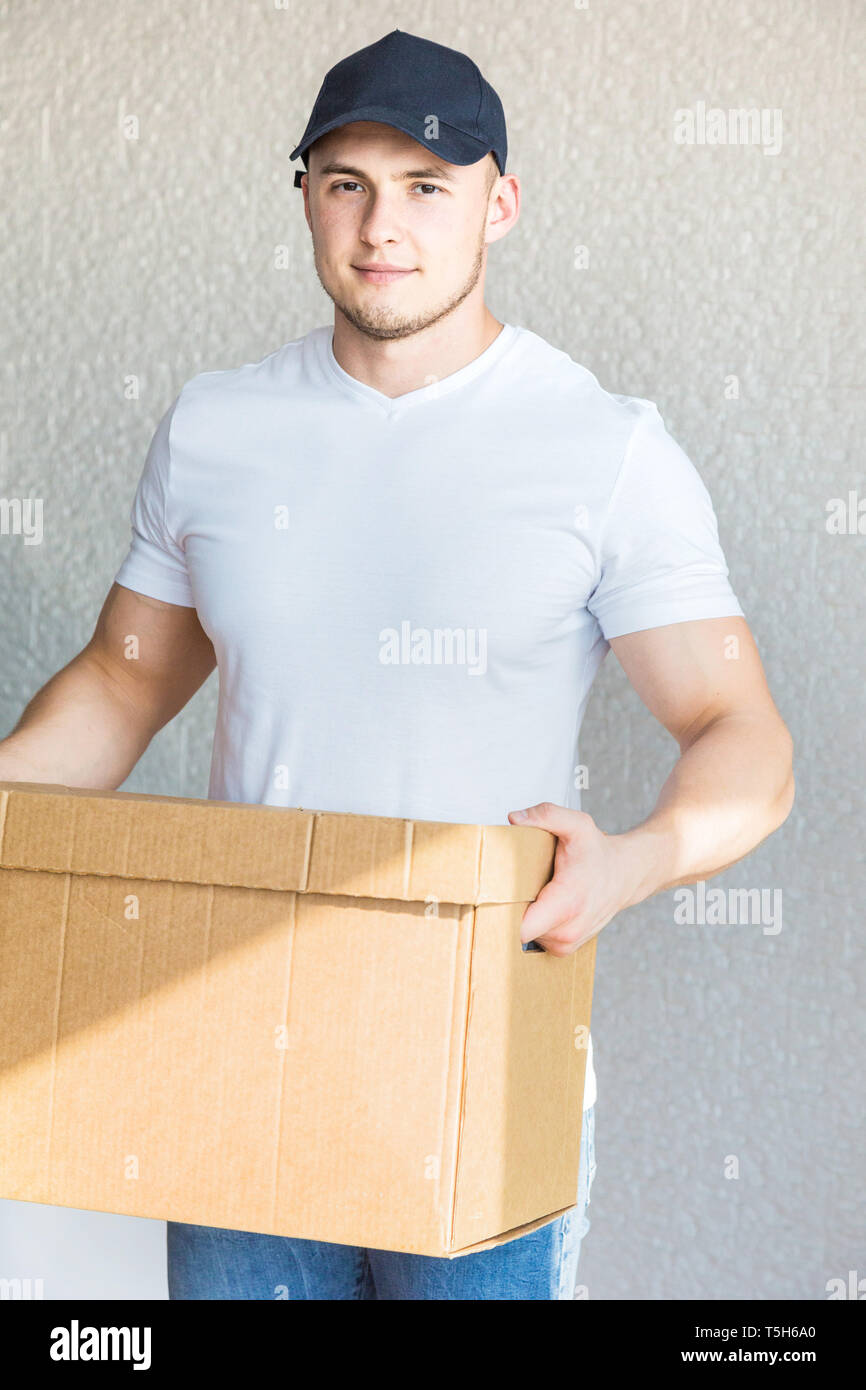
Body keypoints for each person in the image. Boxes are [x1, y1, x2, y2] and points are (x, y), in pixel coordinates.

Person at [0, 29, 794, 1300]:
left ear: (501, 201)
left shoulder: (601, 449)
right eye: (346, 183)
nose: (383, 225)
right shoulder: (215, 428)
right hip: (235, 1056)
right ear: (306, 197)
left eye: (428, 186)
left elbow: (739, 731)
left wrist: (632, 862)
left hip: (480, 1060)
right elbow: (117, 685)